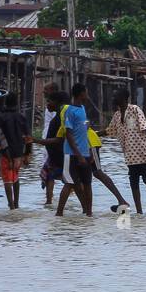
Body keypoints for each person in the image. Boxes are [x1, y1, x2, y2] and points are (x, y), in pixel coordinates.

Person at [107, 89, 146, 214]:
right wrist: (91, 133)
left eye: (116, 95)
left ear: (124, 98)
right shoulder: (117, 115)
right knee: (134, 182)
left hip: (142, 153)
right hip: (130, 156)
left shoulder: (135, 109)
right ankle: (139, 212)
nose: (114, 98)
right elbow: (109, 131)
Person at [57, 83, 95, 216]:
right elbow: (68, 134)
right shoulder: (70, 110)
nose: (87, 95)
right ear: (81, 94)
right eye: (86, 92)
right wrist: (79, 155)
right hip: (72, 154)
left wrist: (89, 150)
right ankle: (59, 213)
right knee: (69, 183)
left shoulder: (83, 109)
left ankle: (89, 213)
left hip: (84, 152)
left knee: (87, 183)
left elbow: (83, 132)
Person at [0, 92, 31, 209]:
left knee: (7, 180)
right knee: (15, 177)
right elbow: (28, 136)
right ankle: (16, 204)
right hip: (19, 153)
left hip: (6, 153)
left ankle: (11, 206)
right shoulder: (21, 117)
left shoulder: (1, 118)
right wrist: (27, 154)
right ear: (16, 103)